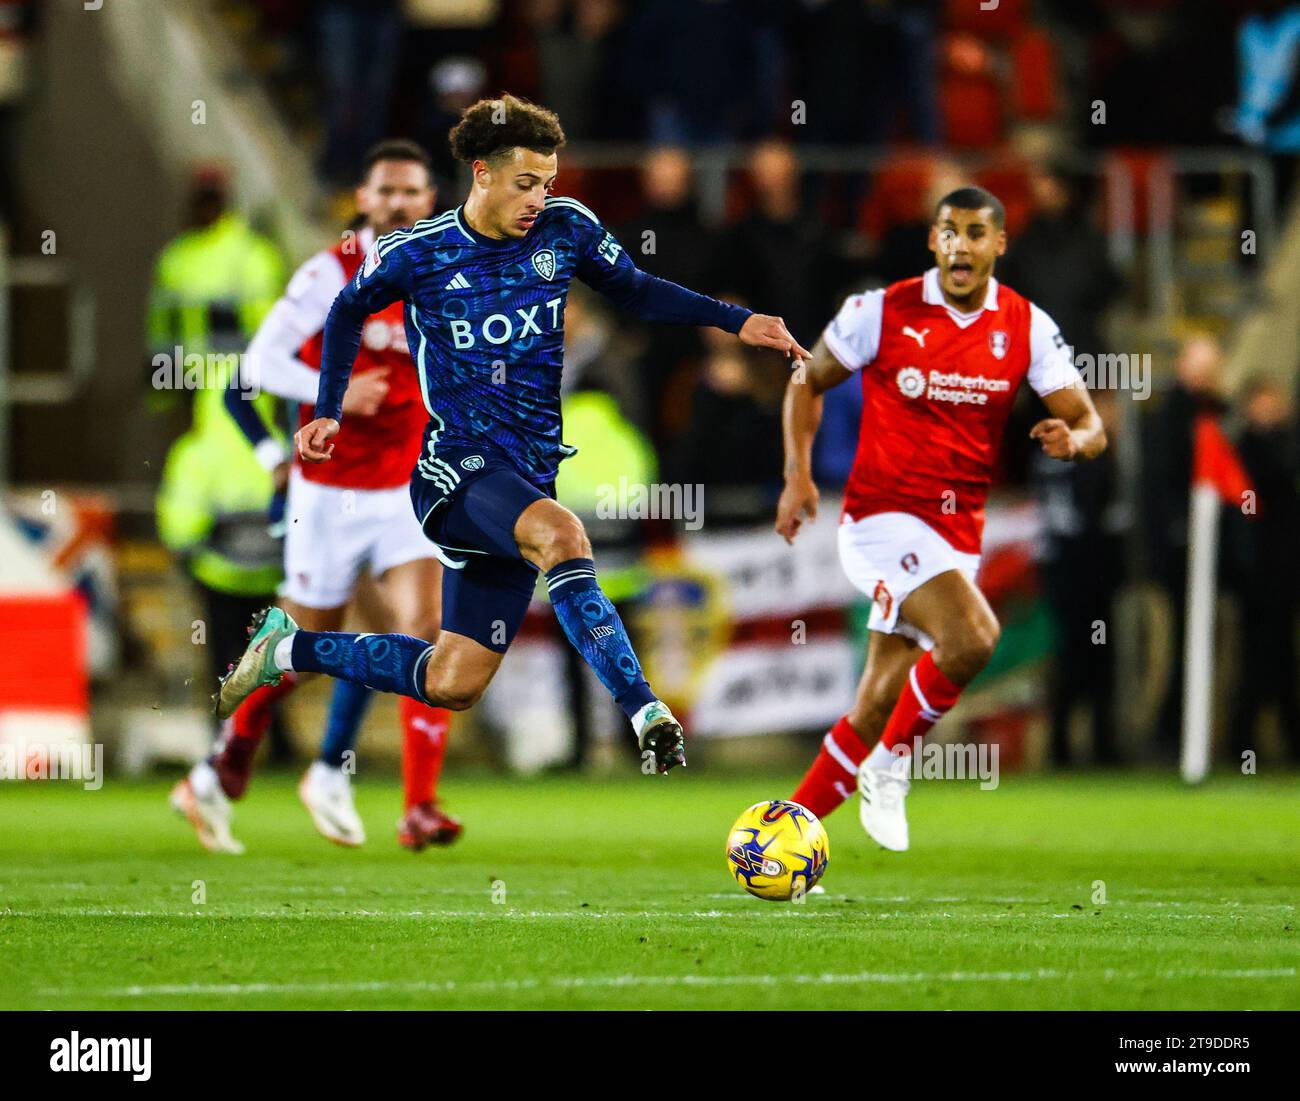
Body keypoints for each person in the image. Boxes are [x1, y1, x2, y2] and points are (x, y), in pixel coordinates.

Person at [214, 95, 810, 775]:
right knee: (564, 536)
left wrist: (737, 322)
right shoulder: (423, 252)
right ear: (483, 173)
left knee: (452, 681)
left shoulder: (565, 231)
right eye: (526, 183)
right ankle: (647, 711)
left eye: (547, 183)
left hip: (524, 480)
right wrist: (328, 408)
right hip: (454, 474)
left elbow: (638, 289)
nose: (538, 198)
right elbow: (349, 308)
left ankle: (288, 649)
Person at [776, 186, 1107, 852]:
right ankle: (892, 768)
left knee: (875, 700)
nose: (961, 245)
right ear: (934, 240)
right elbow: (806, 380)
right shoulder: (881, 311)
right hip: (879, 520)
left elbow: (1090, 420)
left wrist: (1077, 441)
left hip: (958, 535)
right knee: (975, 635)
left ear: (998, 244)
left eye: (976, 233)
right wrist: (798, 474)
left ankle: (780, 837)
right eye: (949, 231)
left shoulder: (1026, 326)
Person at [171, 141, 457, 855]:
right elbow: (258, 367)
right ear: (363, 199)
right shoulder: (327, 272)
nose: (398, 203)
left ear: (430, 203)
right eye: (385, 191)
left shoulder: (441, 276)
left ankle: (415, 803)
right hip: (327, 496)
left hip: (402, 490)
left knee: (426, 632)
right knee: (308, 647)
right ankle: (222, 767)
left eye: (412, 192)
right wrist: (336, 395)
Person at [149, 167, 291, 762]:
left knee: (230, 644)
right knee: (271, 642)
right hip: (237, 403)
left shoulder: (188, 258)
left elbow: (165, 337)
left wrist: (183, 543)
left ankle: (234, 738)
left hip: (210, 399)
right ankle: (273, 741)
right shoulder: (253, 258)